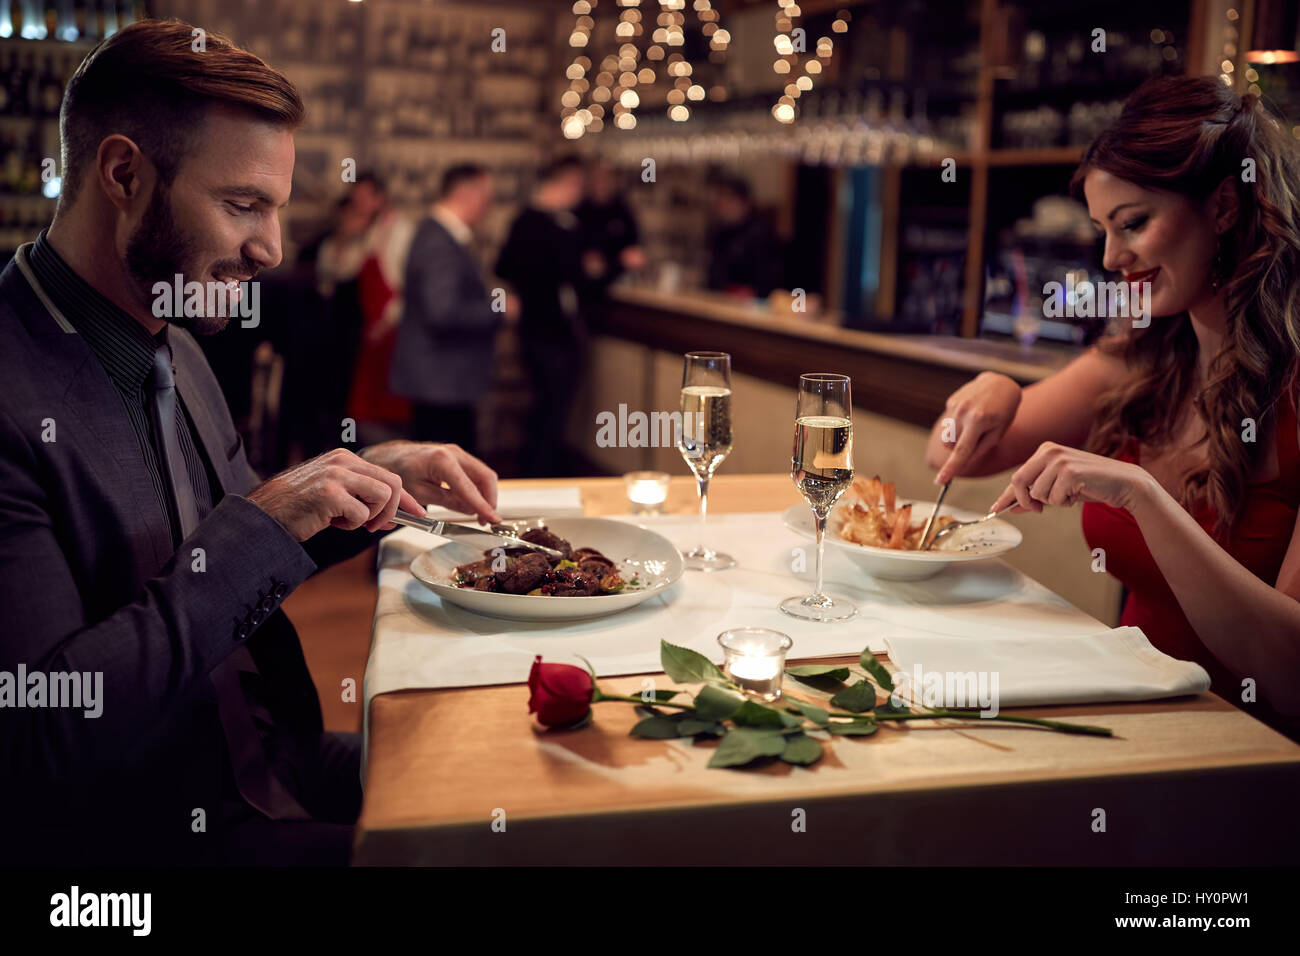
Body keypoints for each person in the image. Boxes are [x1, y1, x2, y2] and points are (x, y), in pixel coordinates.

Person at [0, 19, 502, 866]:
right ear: (122, 172)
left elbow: (240, 534)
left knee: (513, 794)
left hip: (270, 761)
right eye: (242, 206)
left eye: (275, 208)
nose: (269, 249)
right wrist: (264, 521)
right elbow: (45, 734)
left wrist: (364, 481)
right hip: (144, 831)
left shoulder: (177, 343)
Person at [926, 76, 1300, 740]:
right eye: (1103, 229)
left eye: (1133, 224)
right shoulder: (1146, 355)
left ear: (1221, 206)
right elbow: (953, 455)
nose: (1110, 257)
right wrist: (997, 392)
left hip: (1250, 763)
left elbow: (1290, 673)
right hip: (1134, 723)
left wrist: (1143, 498)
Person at [391, 163, 514, 455]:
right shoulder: (439, 240)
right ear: (465, 193)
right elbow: (443, 312)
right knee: (445, 476)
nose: (489, 206)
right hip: (441, 380)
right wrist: (500, 310)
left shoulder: (438, 234)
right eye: (486, 197)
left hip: (441, 378)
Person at [495, 155, 591, 477]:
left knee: (552, 407)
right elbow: (573, 272)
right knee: (550, 408)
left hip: (548, 329)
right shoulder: (539, 223)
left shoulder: (552, 221)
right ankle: (540, 475)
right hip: (546, 330)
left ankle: (542, 472)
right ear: (567, 182)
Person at [318, 173, 415, 445]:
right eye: (355, 197)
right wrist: (345, 238)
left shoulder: (398, 230)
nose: (358, 203)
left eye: (364, 197)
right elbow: (338, 272)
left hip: (391, 332)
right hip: (360, 333)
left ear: (379, 199)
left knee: (389, 405)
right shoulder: (358, 232)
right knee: (359, 405)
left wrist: (386, 321)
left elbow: (407, 285)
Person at [576, 160, 645, 316]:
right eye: (597, 178)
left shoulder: (623, 211)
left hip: (616, 285)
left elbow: (634, 251)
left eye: (605, 178)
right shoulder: (579, 210)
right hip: (583, 290)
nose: (601, 183)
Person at [705, 175, 781, 299]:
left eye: (730, 200)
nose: (723, 206)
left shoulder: (760, 235)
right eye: (721, 200)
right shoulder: (719, 234)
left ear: (745, 203)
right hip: (721, 302)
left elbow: (769, 281)